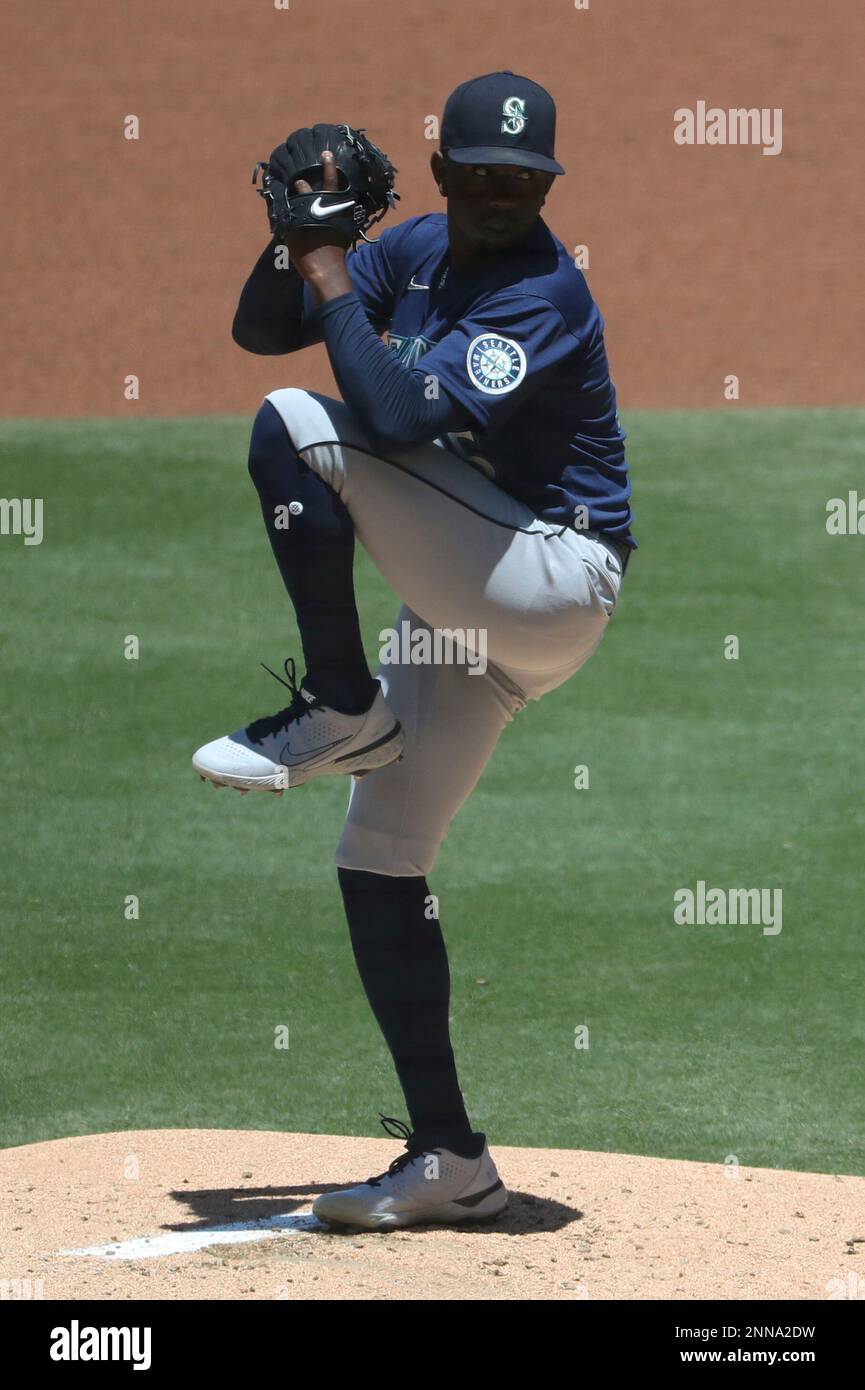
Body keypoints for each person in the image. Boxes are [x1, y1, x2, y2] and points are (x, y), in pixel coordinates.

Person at [193, 71, 635, 1230]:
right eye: (479, 173)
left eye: (521, 179)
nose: (498, 194)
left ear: (544, 186)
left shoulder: (543, 288)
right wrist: (297, 237)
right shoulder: (424, 249)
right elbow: (262, 326)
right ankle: (450, 1157)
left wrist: (335, 266)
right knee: (381, 857)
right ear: (438, 174)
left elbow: (387, 422)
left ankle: (341, 703)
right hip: (467, 604)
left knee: (298, 428)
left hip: (547, 577)